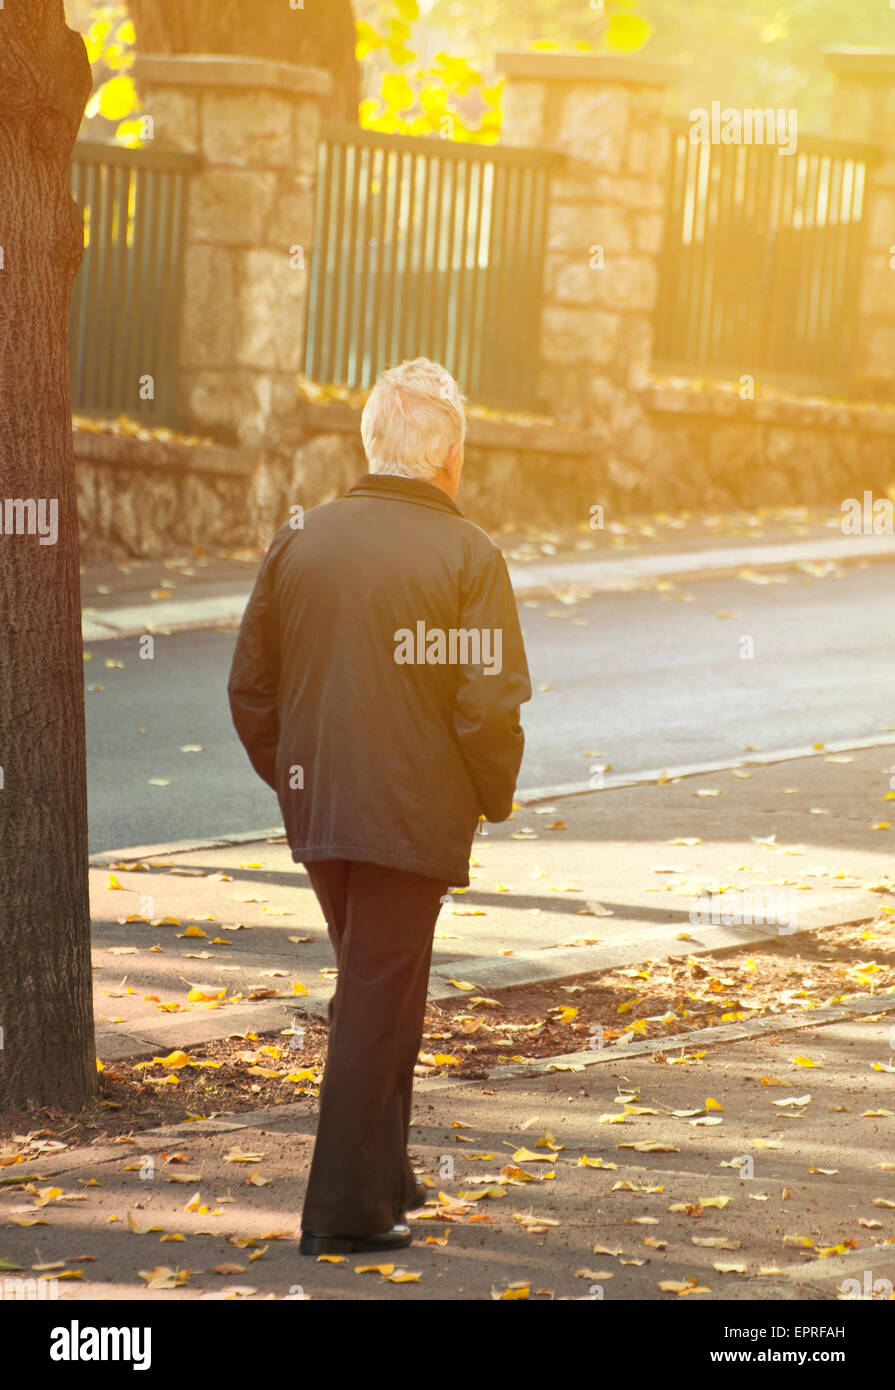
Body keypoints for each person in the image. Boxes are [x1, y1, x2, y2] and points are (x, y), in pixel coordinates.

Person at [227, 357, 531, 1255]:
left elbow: (253, 690)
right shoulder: (470, 554)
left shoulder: (300, 538)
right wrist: (490, 799)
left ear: (372, 444)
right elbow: (487, 706)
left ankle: (387, 1178)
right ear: (451, 458)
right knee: (375, 1000)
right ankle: (342, 1214)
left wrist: (297, 780)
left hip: (323, 813)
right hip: (409, 817)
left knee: (382, 992)